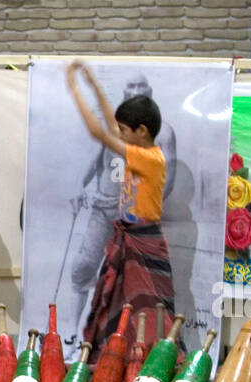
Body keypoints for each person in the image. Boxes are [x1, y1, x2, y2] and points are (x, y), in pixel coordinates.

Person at [65, 60, 175, 357]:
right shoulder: (141, 149)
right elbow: (112, 126)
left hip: (144, 239)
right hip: (126, 235)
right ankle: (113, 354)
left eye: (125, 131)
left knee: (148, 306)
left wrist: (75, 90)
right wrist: (93, 84)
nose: (120, 134)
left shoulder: (148, 158)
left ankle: (149, 356)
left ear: (141, 131)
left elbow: (100, 133)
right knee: (115, 299)